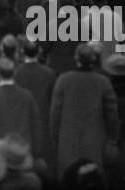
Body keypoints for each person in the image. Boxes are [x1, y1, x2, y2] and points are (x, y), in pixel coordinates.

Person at [50, 43, 119, 176]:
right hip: (95, 142)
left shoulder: (63, 80)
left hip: (68, 142)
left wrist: (56, 141)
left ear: (76, 58)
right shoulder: (103, 82)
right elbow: (112, 115)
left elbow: (55, 115)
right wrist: (112, 139)